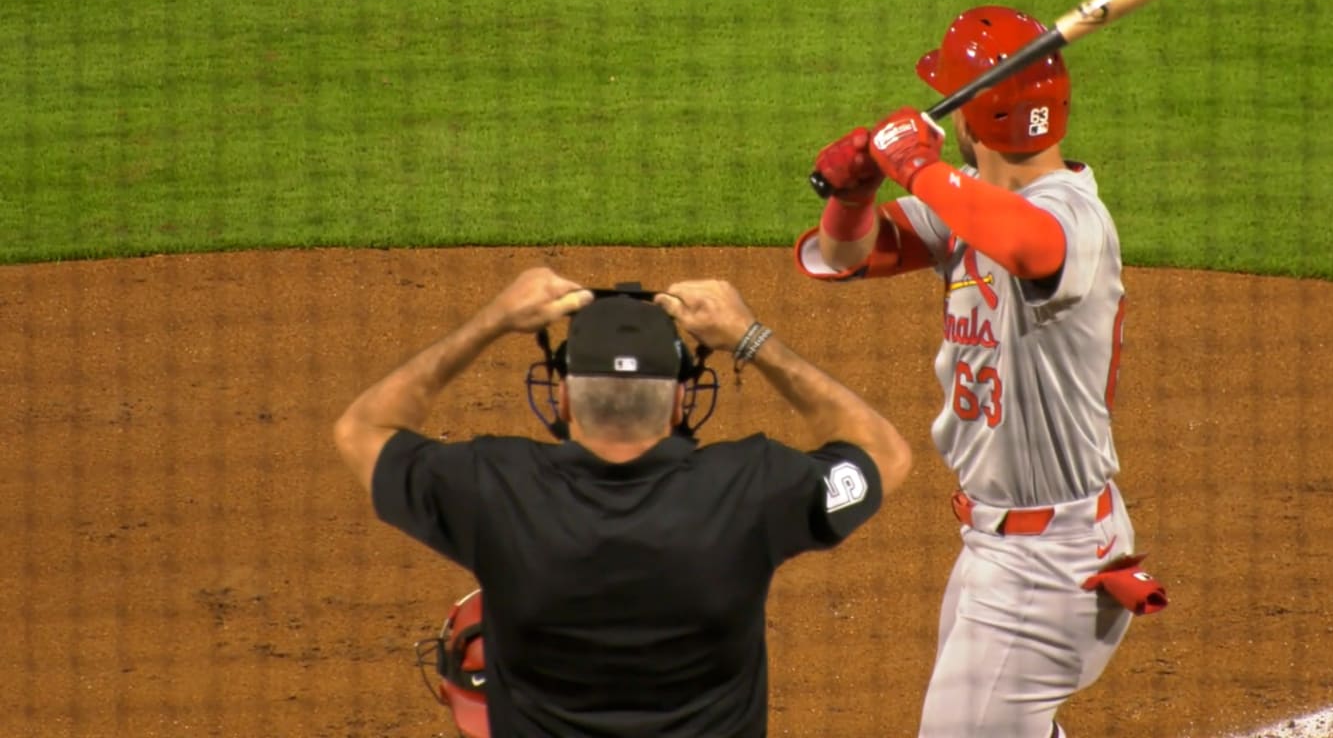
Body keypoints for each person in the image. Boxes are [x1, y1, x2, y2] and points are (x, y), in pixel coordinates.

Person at [793, 5, 1166, 738]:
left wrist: (919, 167)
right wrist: (857, 192)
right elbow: (841, 258)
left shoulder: (1070, 216)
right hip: (1000, 547)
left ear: (973, 114)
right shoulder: (972, 201)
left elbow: (1030, 247)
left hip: (1048, 561)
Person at [332, 268, 912, 738]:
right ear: (681, 401)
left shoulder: (494, 489)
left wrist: (493, 320)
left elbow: (363, 429)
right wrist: (748, 337)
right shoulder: (750, 488)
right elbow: (882, 451)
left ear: (561, 396)